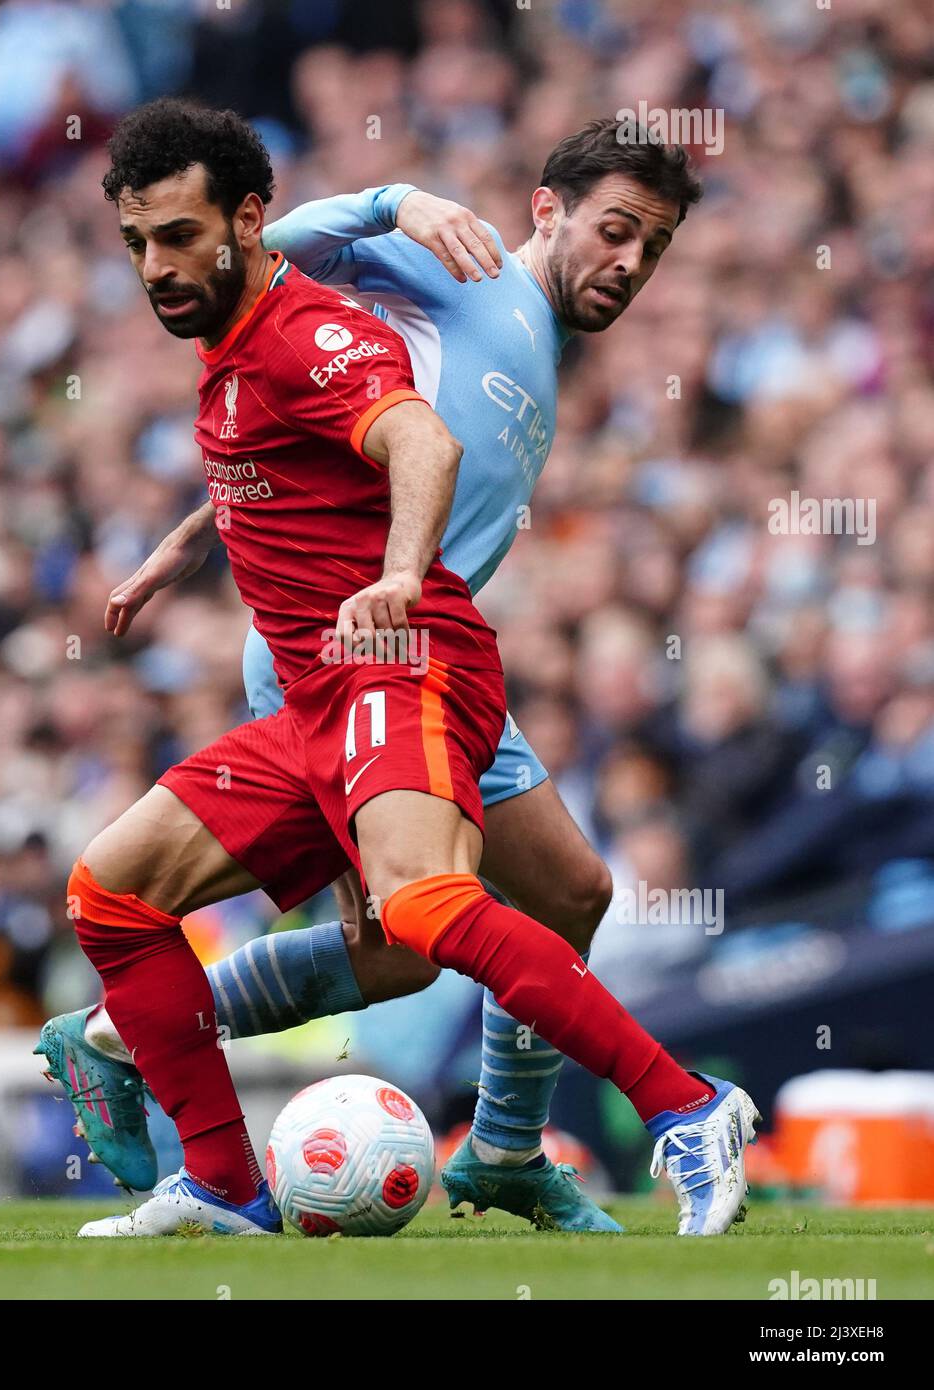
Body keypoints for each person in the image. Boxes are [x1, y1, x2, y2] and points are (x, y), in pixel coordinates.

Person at [42, 98, 758, 1240]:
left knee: (546, 900)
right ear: (545, 209)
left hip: (415, 649)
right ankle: (141, 1059)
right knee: (412, 931)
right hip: (359, 654)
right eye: (615, 230)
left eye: (652, 250)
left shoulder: (520, 345)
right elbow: (291, 258)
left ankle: (506, 1148)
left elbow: (318, 430)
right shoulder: (458, 270)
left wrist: (191, 542)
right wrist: (394, 198)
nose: (629, 265)